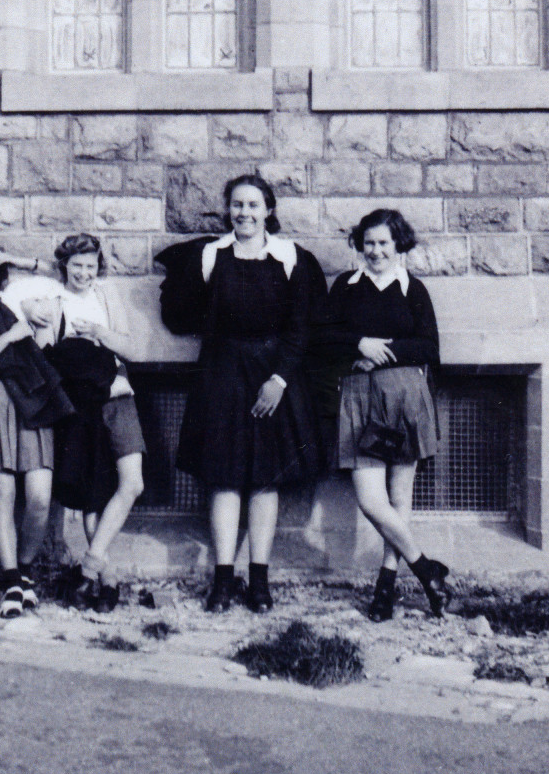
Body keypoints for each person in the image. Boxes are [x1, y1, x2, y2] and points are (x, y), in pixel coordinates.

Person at [156, 175, 325, 614]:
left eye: (253, 205)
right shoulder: (212, 255)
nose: (244, 213)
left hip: (274, 375)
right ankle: (223, 580)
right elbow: (181, 310)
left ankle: (261, 581)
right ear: (227, 209)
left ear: (269, 210)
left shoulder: (290, 258)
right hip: (222, 373)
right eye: (237, 205)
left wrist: (280, 379)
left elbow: (302, 326)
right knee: (224, 476)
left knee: (265, 478)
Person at [312, 207, 450, 621]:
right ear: (359, 244)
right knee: (371, 499)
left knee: (399, 497)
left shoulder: (413, 289)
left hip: (404, 395)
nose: (375, 251)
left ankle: (386, 586)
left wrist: (382, 354)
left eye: (383, 243)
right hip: (357, 398)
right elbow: (323, 337)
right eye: (368, 243)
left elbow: (429, 347)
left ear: (398, 245)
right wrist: (359, 344)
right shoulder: (346, 287)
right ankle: (426, 569)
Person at [0, 242, 74, 618]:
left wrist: (17, 260)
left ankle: (25, 570)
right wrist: (9, 337)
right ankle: (11, 581)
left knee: (39, 496)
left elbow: (60, 274)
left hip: (31, 398)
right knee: (1, 493)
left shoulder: (15, 297)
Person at [44, 233, 147, 613]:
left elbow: (133, 350)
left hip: (119, 398)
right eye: (77, 265)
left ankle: (89, 567)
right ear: (64, 266)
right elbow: (47, 358)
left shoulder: (106, 295)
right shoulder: (53, 302)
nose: (84, 273)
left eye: (90, 265)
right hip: (83, 405)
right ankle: (107, 581)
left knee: (132, 482)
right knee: (92, 494)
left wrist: (99, 334)